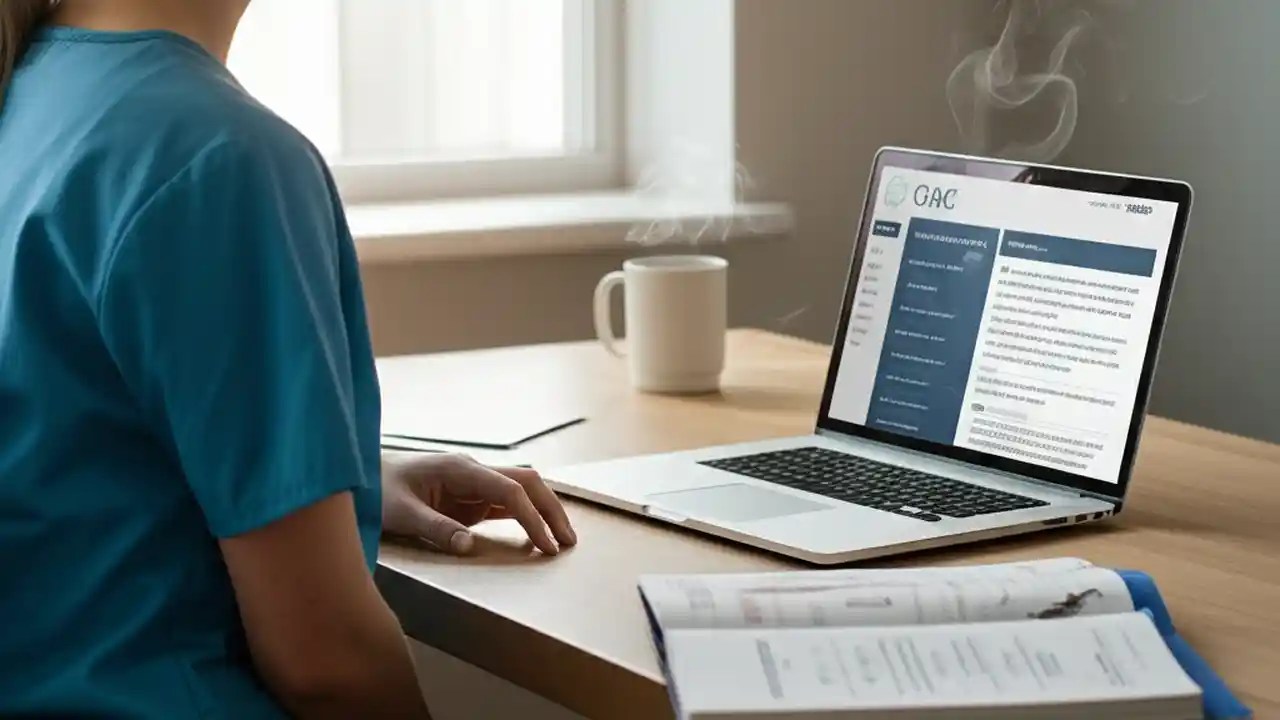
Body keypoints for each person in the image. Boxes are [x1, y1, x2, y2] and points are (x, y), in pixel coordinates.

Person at [0, 1, 578, 717]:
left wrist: (335, 481)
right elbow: (328, 662)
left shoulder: (39, 89)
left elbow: (64, 444)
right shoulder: (216, 154)